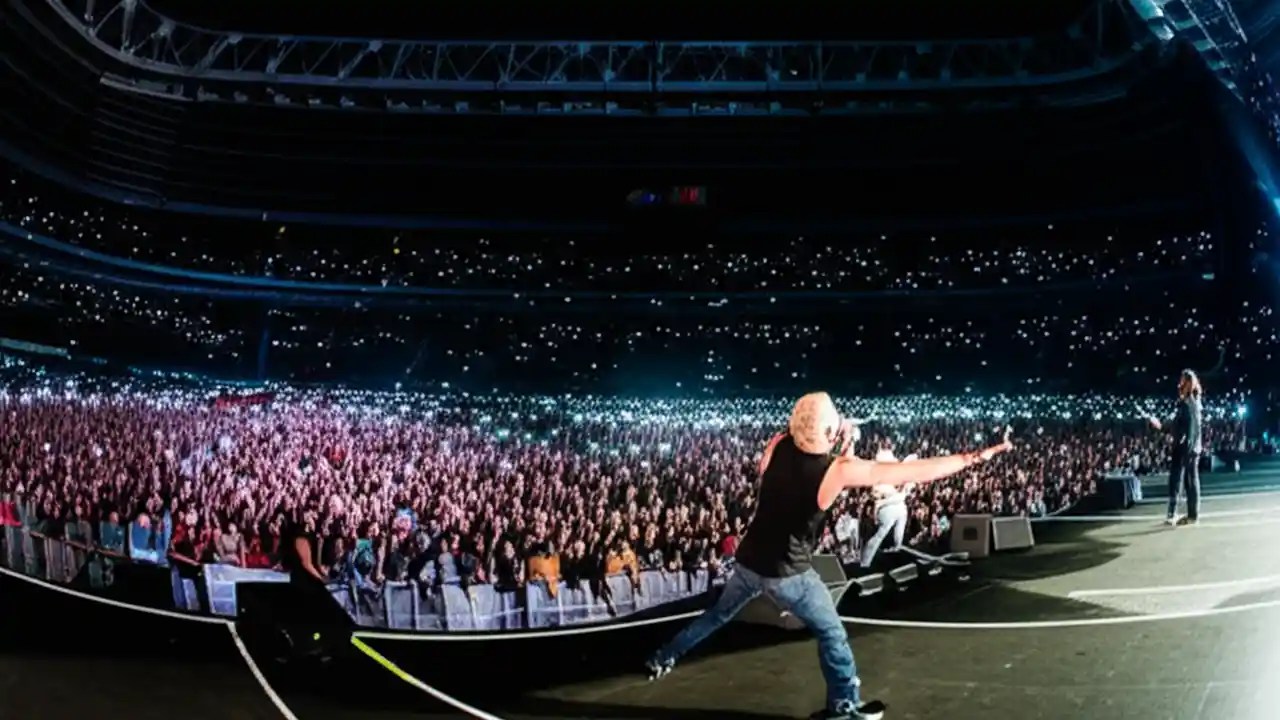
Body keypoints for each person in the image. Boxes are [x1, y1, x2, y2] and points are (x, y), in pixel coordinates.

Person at [645, 392, 1014, 720]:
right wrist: (975, 456)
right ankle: (843, 706)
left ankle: (663, 657)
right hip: (789, 574)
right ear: (828, 430)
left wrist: (838, 443)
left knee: (717, 615)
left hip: (749, 561)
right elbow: (910, 471)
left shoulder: (778, 444)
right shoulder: (835, 471)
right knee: (832, 632)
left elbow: (788, 465)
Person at [1147, 369, 1203, 526]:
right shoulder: (1187, 402)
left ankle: (1188, 515)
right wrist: (1161, 426)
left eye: (1183, 381)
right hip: (1185, 446)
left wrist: (1189, 447)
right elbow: (1177, 425)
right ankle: (1185, 514)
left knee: (1187, 481)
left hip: (1187, 448)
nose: (1180, 384)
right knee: (1183, 480)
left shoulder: (1190, 403)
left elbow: (1193, 427)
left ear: (1188, 383)